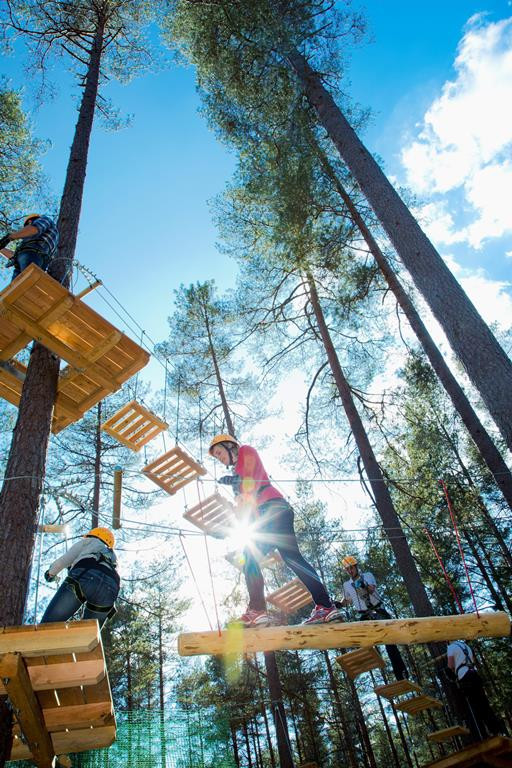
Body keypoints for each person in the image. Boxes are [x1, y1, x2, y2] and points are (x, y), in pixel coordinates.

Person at [209, 434, 342, 627]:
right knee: (291, 558)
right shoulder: (237, 477)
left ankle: (257, 610)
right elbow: (244, 509)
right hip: (270, 513)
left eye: (220, 453)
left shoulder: (245, 450)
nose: (219, 458)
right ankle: (325, 606)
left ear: (230, 446)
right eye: (216, 457)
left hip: (273, 509)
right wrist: (224, 530)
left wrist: (233, 481)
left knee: (249, 556)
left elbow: (247, 479)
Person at [338, 555, 408, 680]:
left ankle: (401, 675)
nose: (350, 571)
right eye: (347, 569)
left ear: (356, 567)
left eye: (351, 568)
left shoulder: (367, 576)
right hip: (364, 614)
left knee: (389, 643)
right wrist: (338, 604)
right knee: (361, 640)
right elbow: (346, 600)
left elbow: (371, 589)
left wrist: (363, 585)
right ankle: (362, 666)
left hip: (378, 611)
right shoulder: (347, 584)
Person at [41, 526, 120, 629]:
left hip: (86, 575)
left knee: (48, 626)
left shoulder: (88, 541)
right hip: (111, 588)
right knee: (89, 636)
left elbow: (64, 560)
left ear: (93, 535)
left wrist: (50, 574)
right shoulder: (113, 556)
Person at [447, 639, 506, 741]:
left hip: (465, 677)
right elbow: (472, 660)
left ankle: (482, 735)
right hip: (474, 674)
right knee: (484, 703)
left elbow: (451, 665)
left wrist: (451, 672)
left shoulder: (451, 647)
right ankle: (496, 729)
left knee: (474, 707)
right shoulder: (466, 646)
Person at [0, 213, 59, 280]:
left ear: (29, 222)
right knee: (18, 288)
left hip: (33, 254)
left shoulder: (44, 219)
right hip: (34, 257)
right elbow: (15, 256)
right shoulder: (46, 239)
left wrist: (9, 237)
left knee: (28, 281)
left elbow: (34, 229)